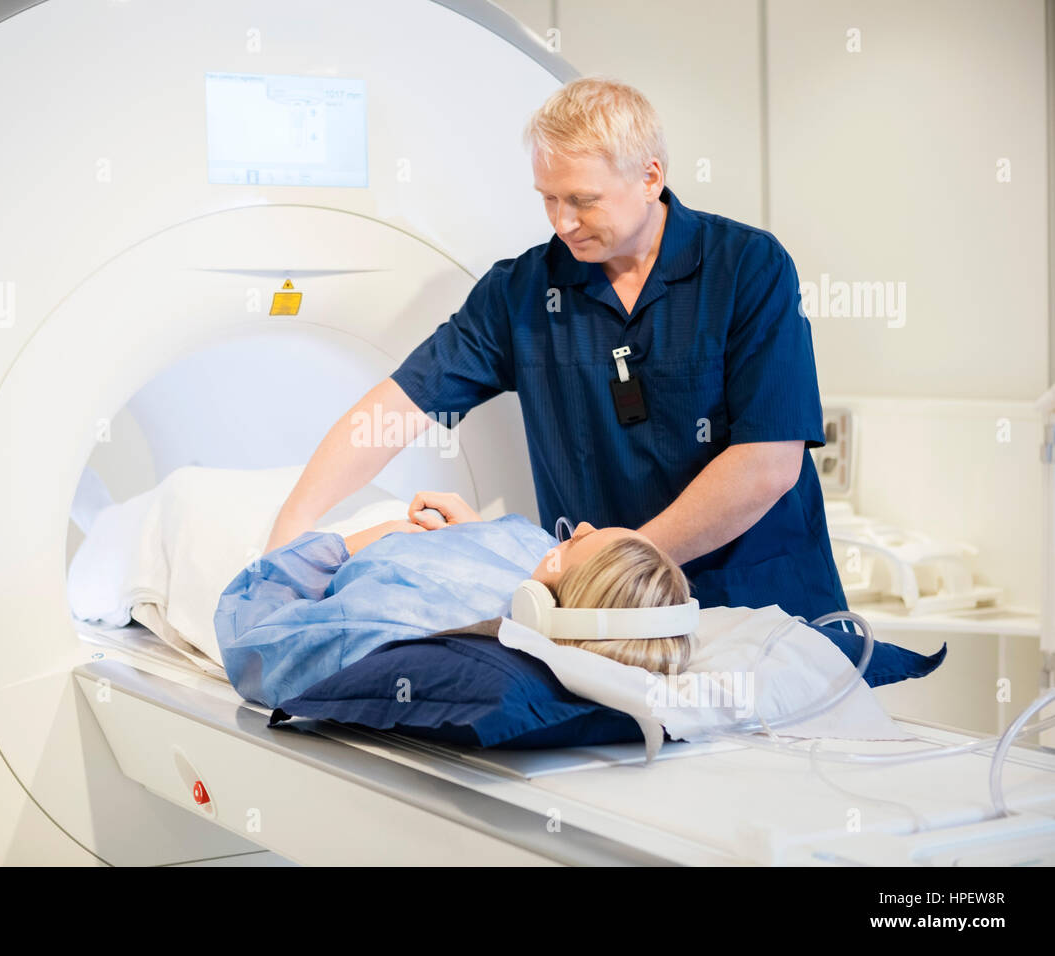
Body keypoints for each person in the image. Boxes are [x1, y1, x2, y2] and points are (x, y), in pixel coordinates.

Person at [263, 76, 846, 622]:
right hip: (602, 616)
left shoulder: (747, 267)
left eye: (583, 200)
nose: (563, 222)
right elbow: (397, 408)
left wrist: (609, 562)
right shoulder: (521, 293)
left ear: (650, 177)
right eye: (548, 199)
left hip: (760, 608)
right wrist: (291, 537)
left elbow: (767, 463)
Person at [215, 491, 691, 708]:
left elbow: (252, 641)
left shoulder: (390, 624)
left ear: (537, 604)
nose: (578, 527)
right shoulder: (543, 570)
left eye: (570, 545)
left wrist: (351, 543)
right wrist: (478, 532)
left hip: (295, 538)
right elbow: (532, 546)